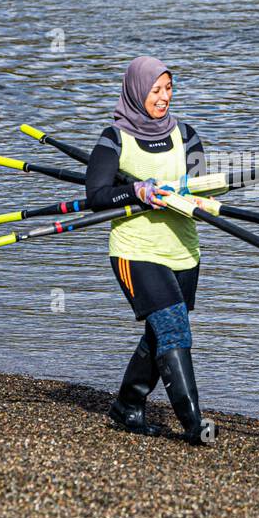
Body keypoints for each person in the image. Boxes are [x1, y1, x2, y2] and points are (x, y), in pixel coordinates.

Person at [86, 56, 215, 445]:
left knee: (162, 332)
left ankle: (127, 405)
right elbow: (96, 196)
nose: (164, 97)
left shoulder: (187, 134)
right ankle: (194, 424)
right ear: (136, 91)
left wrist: (201, 196)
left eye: (169, 89)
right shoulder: (114, 138)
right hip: (135, 250)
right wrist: (138, 191)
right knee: (174, 324)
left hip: (184, 251)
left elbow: (202, 185)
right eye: (155, 90)